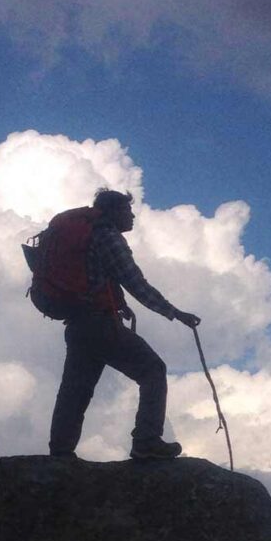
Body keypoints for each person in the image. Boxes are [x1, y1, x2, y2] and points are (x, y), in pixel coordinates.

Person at [48, 188, 201, 460]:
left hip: (78, 325)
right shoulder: (109, 237)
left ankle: (60, 452)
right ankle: (146, 440)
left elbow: (98, 279)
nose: (132, 216)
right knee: (153, 370)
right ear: (114, 211)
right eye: (128, 210)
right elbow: (136, 283)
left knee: (75, 391)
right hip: (100, 325)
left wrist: (118, 303)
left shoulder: (87, 238)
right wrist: (176, 313)